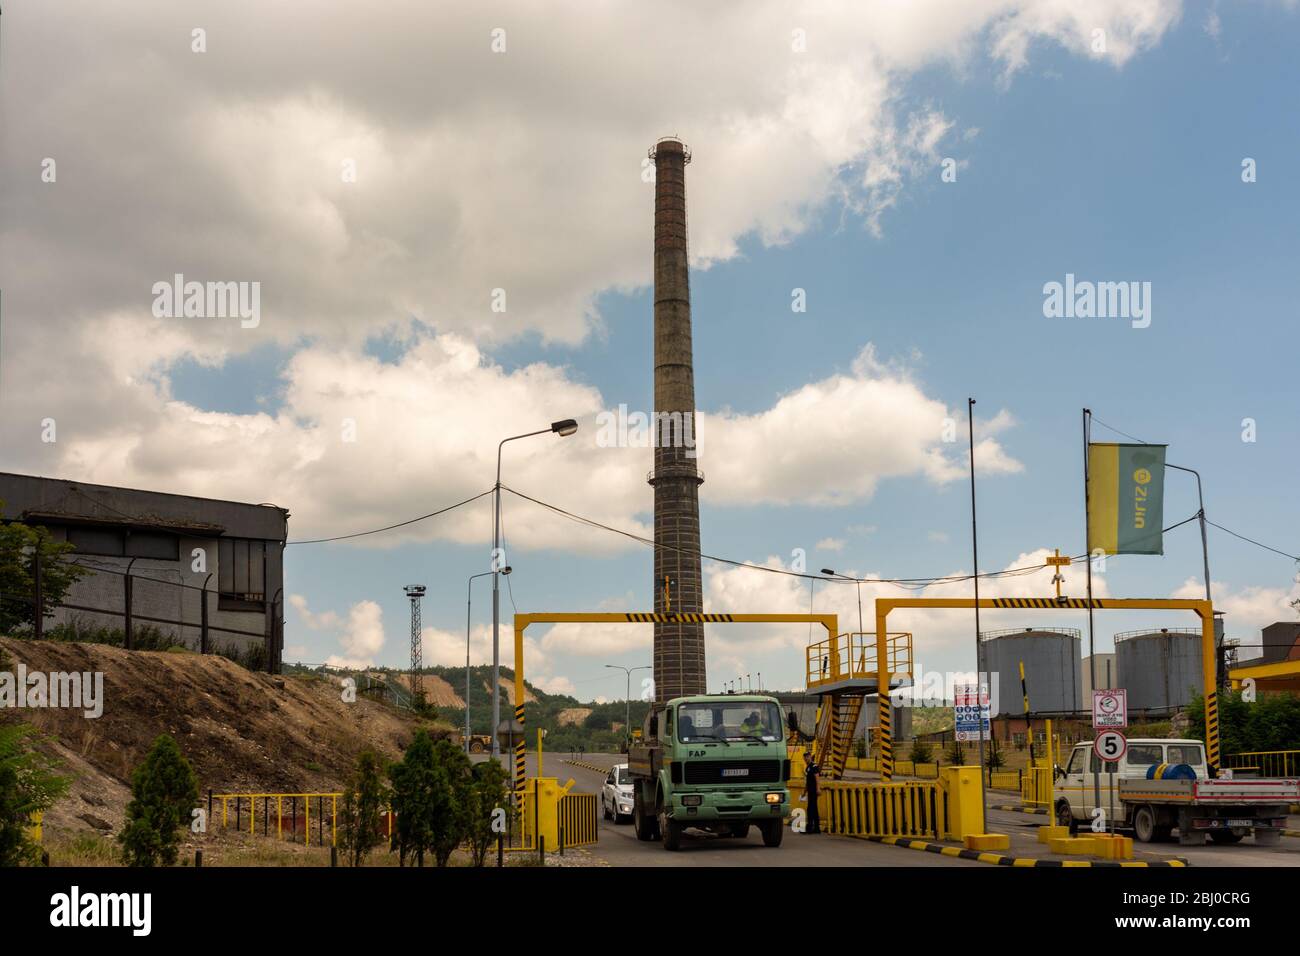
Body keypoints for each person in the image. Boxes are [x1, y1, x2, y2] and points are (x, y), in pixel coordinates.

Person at [804, 751, 821, 834]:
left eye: (807, 757)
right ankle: (814, 828)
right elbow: (807, 782)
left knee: (812, 809)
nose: (806, 758)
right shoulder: (807, 768)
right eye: (805, 757)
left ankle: (813, 827)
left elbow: (817, 778)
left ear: (810, 757)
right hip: (810, 791)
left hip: (814, 791)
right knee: (812, 809)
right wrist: (804, 792)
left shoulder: (814, 766)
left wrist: (818, 789)